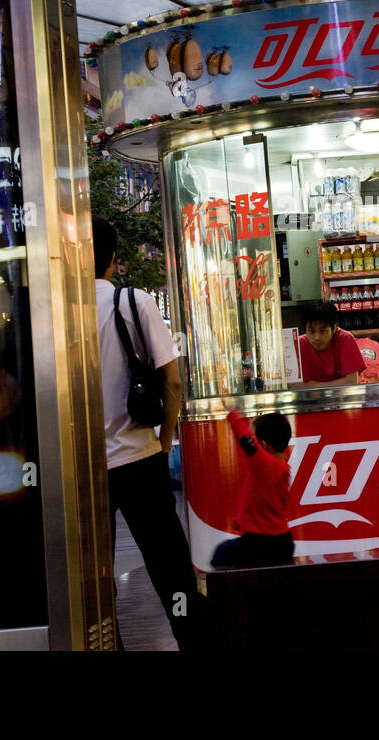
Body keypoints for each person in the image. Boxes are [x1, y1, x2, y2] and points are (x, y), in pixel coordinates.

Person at [92, 216, 204, 647]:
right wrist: (164, 441)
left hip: (83, 468)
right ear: (113, 258)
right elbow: (172, 381)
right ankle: (192, 641)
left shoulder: (58, 309)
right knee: (169, 566)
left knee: (95, 572)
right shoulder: (132, 301)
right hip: (139, 457)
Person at [210, 410, 293, 569]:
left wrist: (233, 414)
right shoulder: (281, 467)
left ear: (263, 445)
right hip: (281, 540)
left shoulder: (267, 465)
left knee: (221, 554)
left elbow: (245, 439)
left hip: (261, 542)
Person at [296, 300, 366, 386]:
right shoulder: (298, 345)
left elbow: (351, 382)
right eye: (312, 331)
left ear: (334, 328)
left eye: (323, 330)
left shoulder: (345, 339)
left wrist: (314, 386)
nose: (317, 337)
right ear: (305, 330)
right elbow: (294, 385)